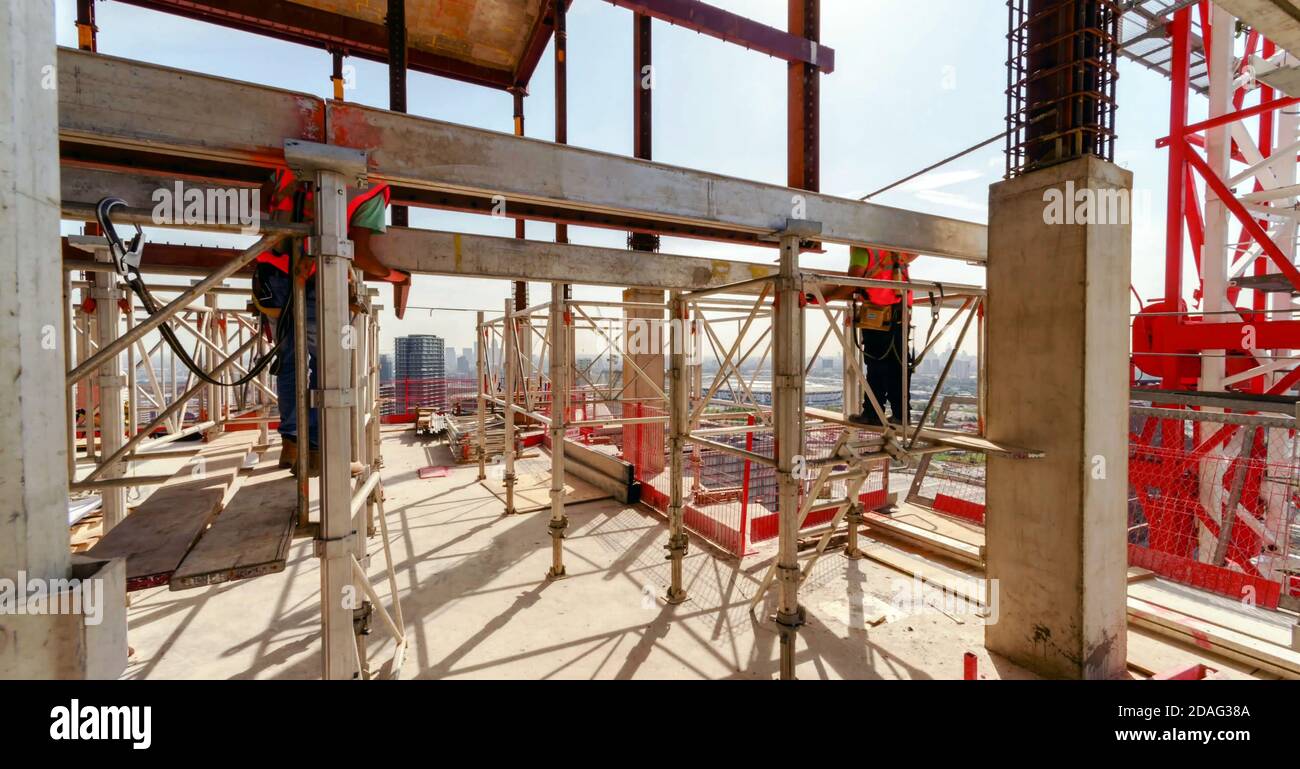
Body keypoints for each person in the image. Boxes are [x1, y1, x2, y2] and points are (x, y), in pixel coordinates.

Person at [252, 168, 412, 476]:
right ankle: (320, 453)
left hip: (272, 274)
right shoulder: (372, 186)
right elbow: (362, 254)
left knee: (289, 361)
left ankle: (292, 445)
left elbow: (262, 200)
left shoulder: (289, 163)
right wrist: (397, 276)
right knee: (328, 366)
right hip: (315, 276)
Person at [820, 246, 917, 426]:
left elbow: (851, 283)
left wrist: (827, 297)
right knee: (898, 367)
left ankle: (873, 414)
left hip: (879, 318)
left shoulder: (862, 252)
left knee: (877, 366)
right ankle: (902, 415)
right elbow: (916, 250)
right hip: (900, 318)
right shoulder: (897, 252)